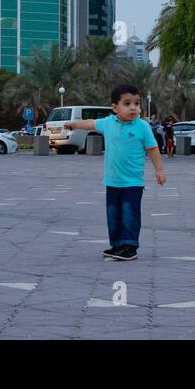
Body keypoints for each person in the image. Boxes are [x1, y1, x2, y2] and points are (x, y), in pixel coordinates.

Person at [63, 83, 165, 262]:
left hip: (133, 183)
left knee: (129, 213)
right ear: (115, 107)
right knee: (113, 214)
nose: (133, 108)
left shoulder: (142, 126)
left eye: (136, 103)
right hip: (112, 181)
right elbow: (91, 123)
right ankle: (117, 245)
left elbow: (153, 148)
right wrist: (74, 124)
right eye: (127, 103)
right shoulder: (108, 123)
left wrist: (159, 171)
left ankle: (130, 246)